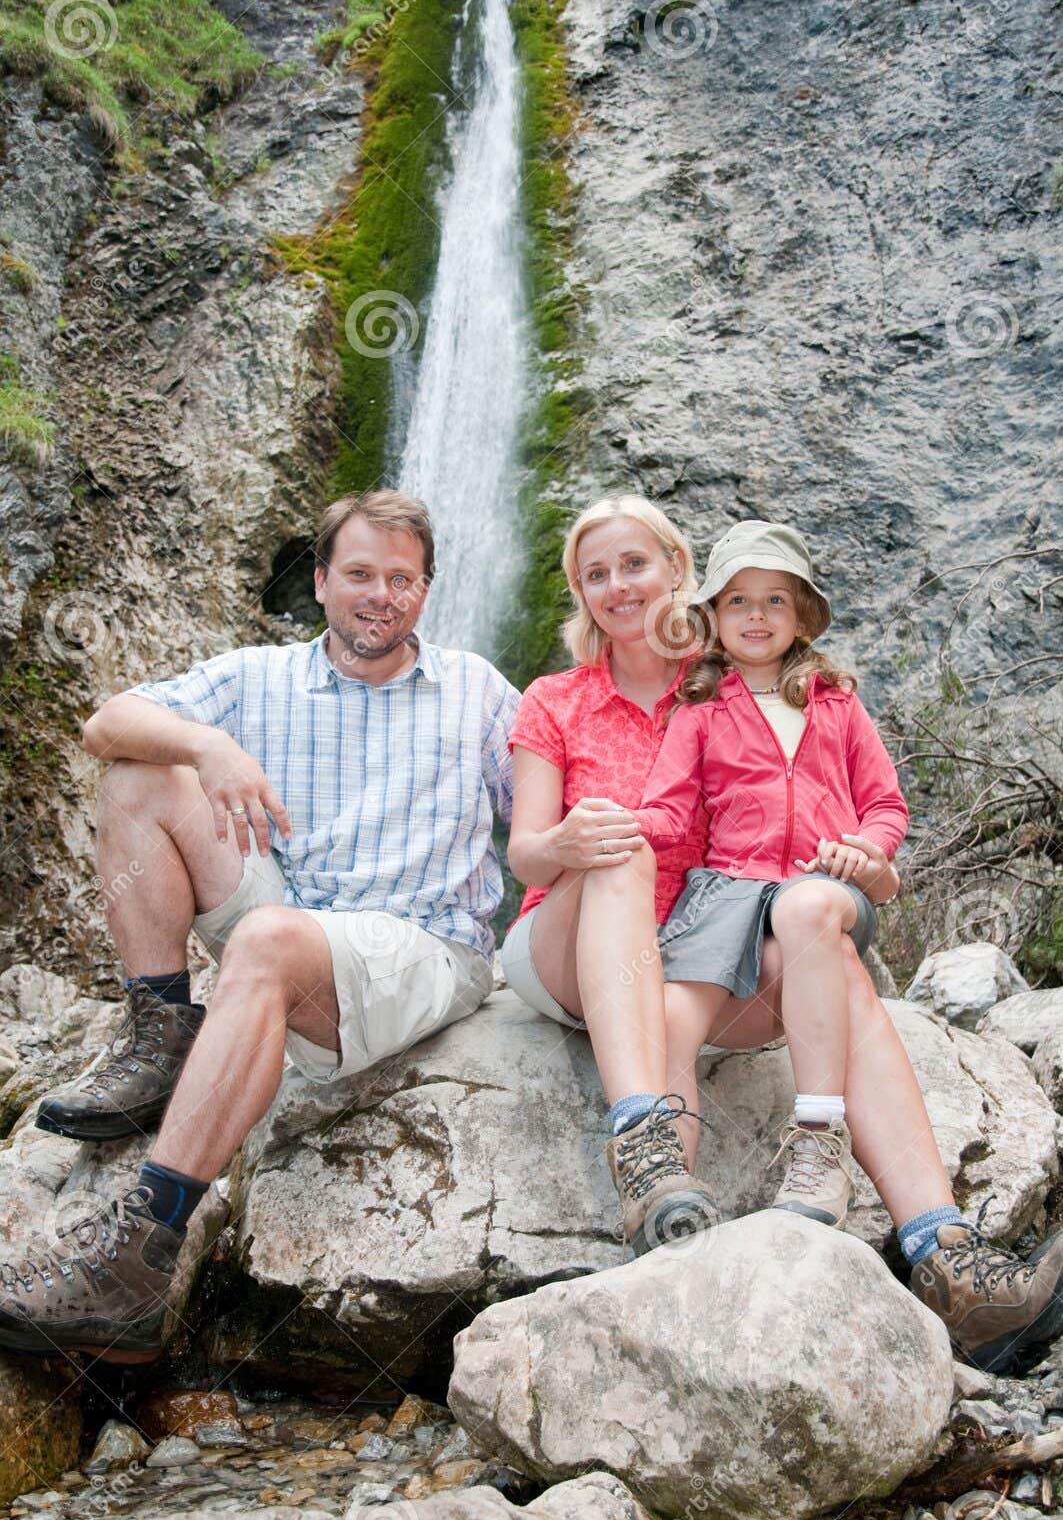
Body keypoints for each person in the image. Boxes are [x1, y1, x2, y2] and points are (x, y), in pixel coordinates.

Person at [0, 490, 519, 1364]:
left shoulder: (479, 693)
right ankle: (163, 1031)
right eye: (359, 574)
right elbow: (104, 722)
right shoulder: (257, 676)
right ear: (319, 582)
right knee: (139, 775)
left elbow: (553, 815)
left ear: (425, 592)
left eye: (401, 579)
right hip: (287, 918)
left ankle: (138, 1258)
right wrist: (208, 747)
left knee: (266, 940)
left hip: (421, 946)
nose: (379, 595)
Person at [635, 520, 1063, 1375]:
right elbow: (669, 813)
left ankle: (818, 1144)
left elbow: (885, 804)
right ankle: (664, 1221)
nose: (756, 616)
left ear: (803, 614)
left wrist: (868, 851)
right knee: (670, 1013)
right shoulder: (698, 710)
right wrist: (615, 844)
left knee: (804, 911)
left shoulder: (833, 705)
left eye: (775, 600)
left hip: (822, 887)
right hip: (727, 897)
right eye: (737, 601)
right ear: (711, 616)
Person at [502, 495, 720, 1257]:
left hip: (689, 954)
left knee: (674, 1007)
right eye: (596, 574)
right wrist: (564, 840)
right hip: (561, 947)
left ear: (677, 569)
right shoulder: (554, 700)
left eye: (634, 564)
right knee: (620, 848)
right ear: (581, 594)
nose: (617, 586)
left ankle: (667, 1221)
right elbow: (523, 854)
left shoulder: (723, 688)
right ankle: (637, 1126)